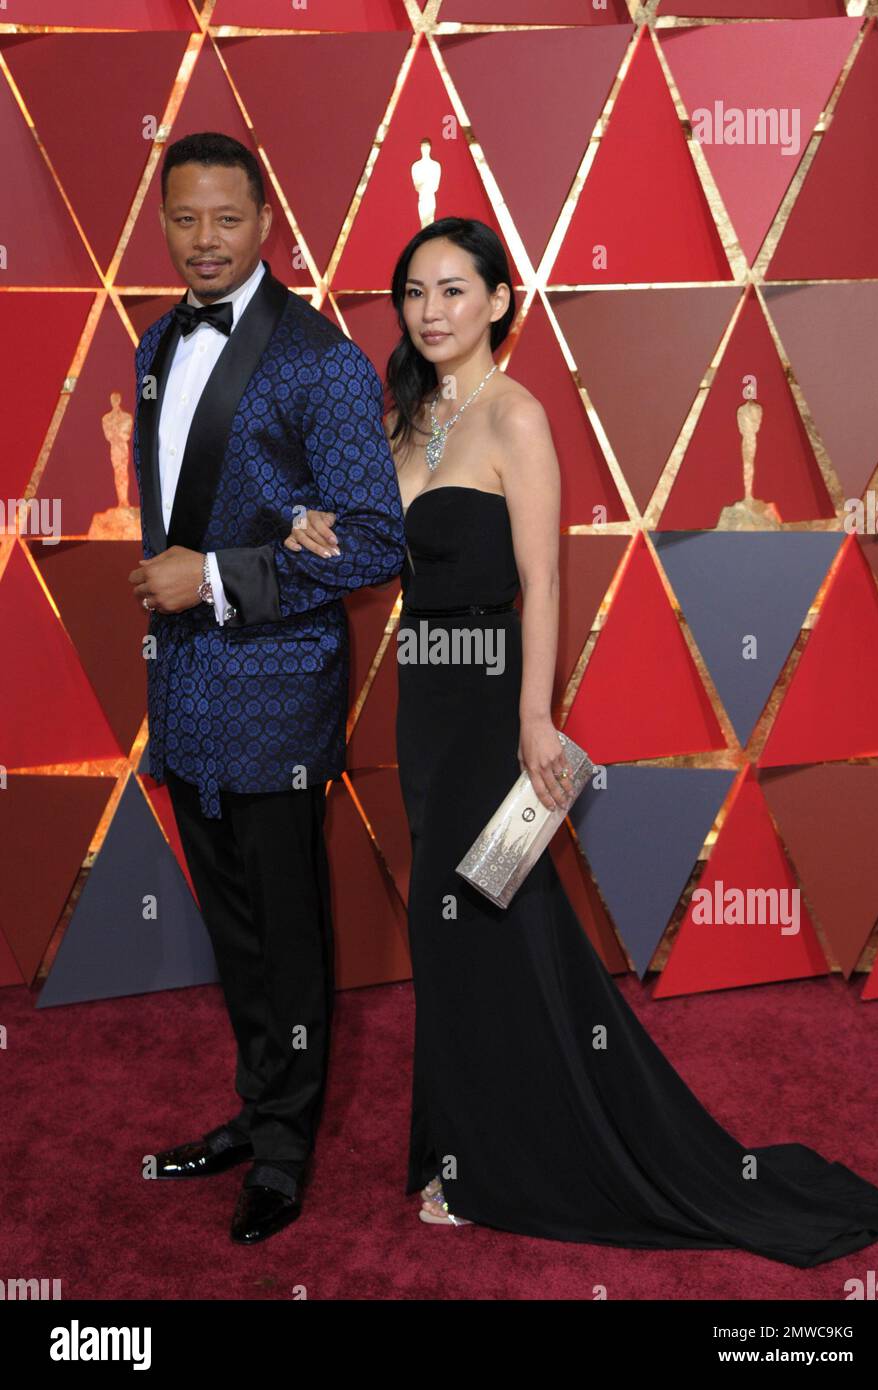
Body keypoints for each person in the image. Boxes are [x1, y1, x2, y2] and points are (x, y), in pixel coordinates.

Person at [284, 215, 878, 1266]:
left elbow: (545, 582)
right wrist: (314, 532)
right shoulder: (406, 423)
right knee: (462, 932)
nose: (431, 311)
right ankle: (465, 1147)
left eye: (453, 290)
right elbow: (385, 567)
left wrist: (534, 717)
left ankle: (492, 1159)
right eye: (414, 294)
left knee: (483, 918)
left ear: (497, 302)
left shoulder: (516, 419)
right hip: (422, 703)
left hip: (489, 706)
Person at [129, 132, 406, 1244]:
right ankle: (257, 1108)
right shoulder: (152, 344)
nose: (205, 241)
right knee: (233, 931)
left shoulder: (323, 361)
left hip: (279, 692)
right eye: (185, 219)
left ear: (266, 223)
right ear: (164, 220)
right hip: (184, 688)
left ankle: (285, 1150)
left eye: (227, 220)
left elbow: (377, 541)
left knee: (288, 934)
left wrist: (216, 578)